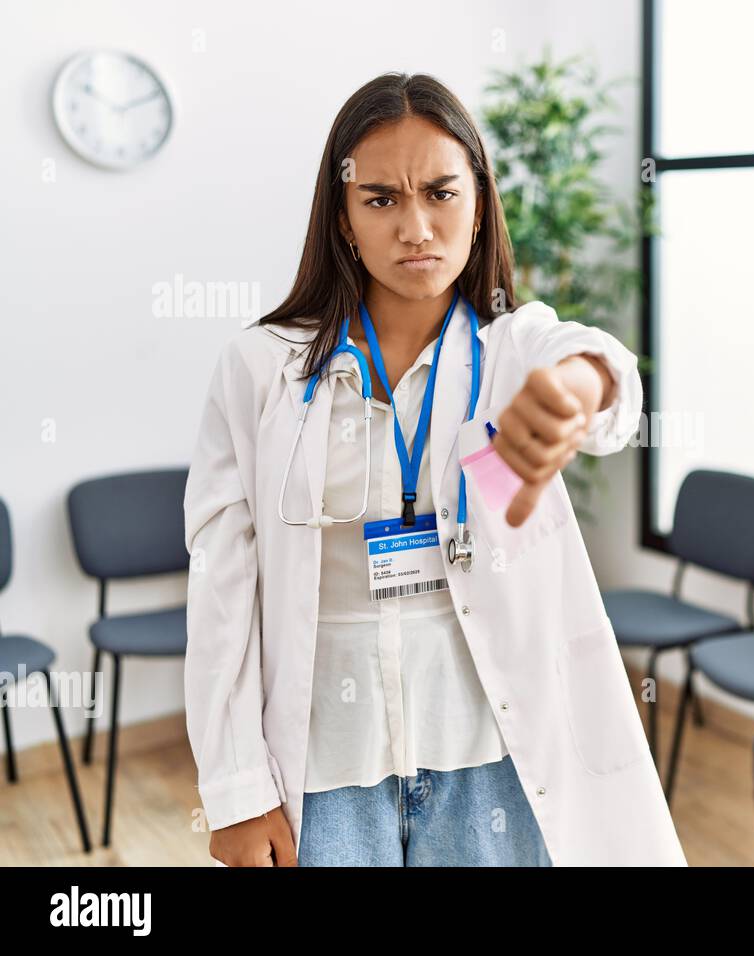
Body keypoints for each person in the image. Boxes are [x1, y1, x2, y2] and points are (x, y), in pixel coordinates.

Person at [183, 72, 686, 866]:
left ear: (480, 202)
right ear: (343, 219)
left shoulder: (512, 350)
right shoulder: (260, 369)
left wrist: (577, 387)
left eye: (442, 194)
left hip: (489, 753)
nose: (416, 226)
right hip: (326, 766)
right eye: (380, 199)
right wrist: (238, 790)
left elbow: (600, 375)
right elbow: (220, 594)